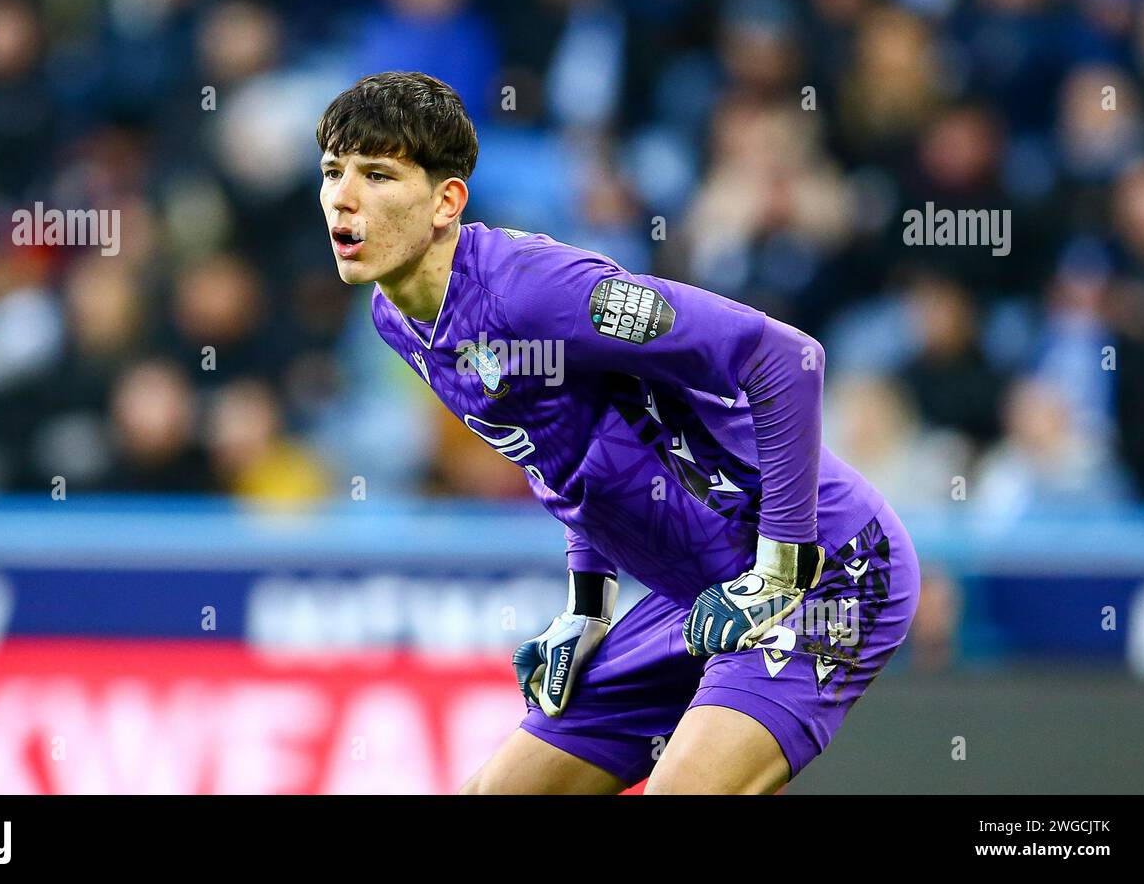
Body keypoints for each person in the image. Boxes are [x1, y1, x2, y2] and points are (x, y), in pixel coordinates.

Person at [316, 71, 920, 794]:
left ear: (447, 202)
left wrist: (780, 568)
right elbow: (560, 452)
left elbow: (787, 358)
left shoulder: (539, 293)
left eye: (377, 175)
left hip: (832, 567)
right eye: (332, 171)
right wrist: (588, 605)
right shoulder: (398, 318)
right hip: (700, 588)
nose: (343, 198)